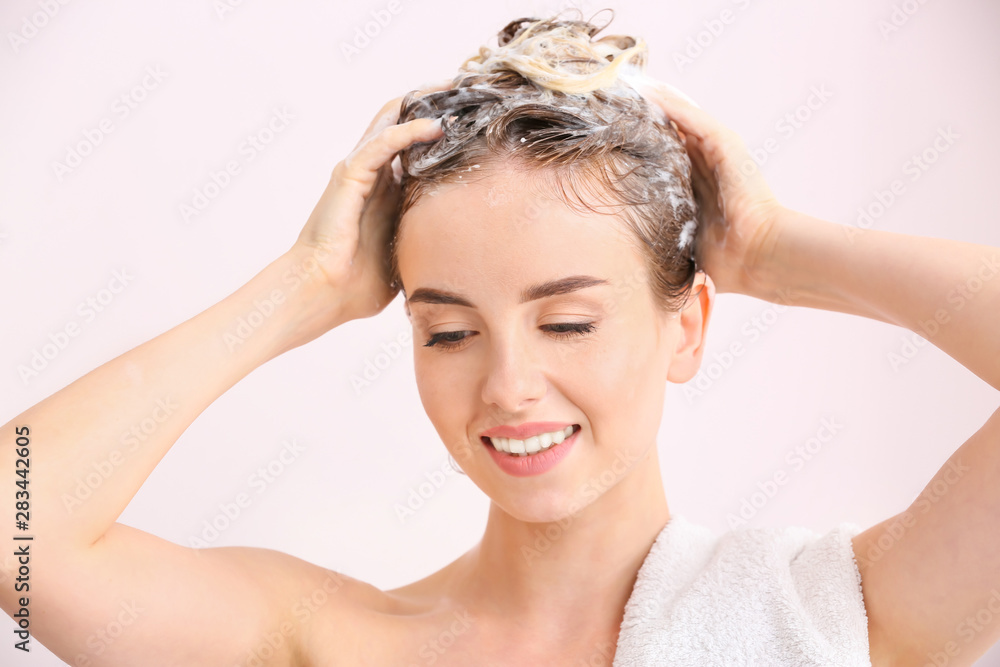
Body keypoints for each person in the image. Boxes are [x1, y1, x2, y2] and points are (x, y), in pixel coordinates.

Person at [2, 10, 999, 667]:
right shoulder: (326, 642)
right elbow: (16, 534)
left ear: (686, 326)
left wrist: (781, 250)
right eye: (448, 332)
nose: (509, 384)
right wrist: (301, 287)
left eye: (566, 320)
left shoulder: (842, 613)